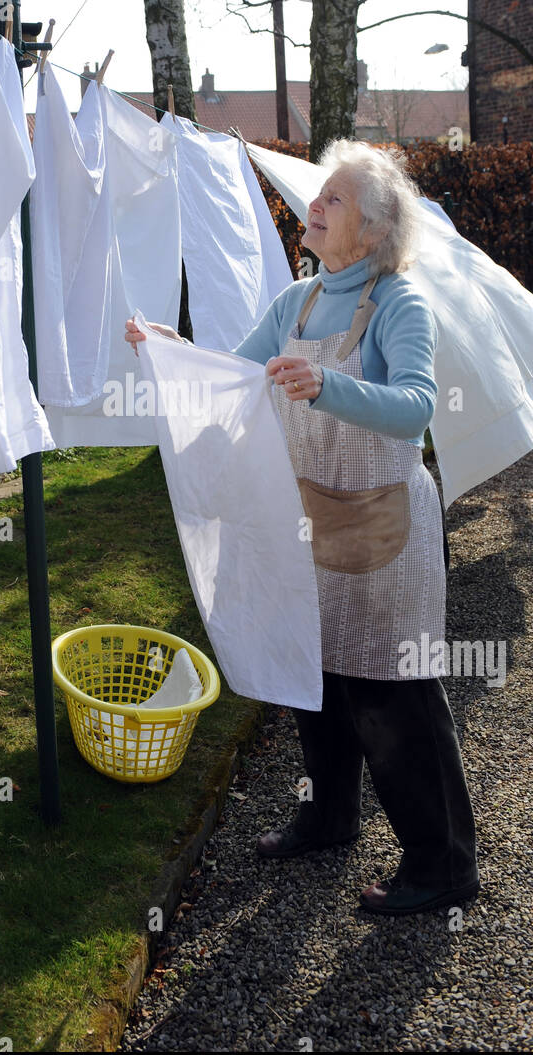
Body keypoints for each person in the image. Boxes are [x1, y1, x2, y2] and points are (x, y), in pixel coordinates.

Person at [124, 139, 479, 916]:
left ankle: (442, 865)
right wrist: (172, 352)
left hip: (384, 527)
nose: (314, 205)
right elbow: (236, 380)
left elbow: (416, 404)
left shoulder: (397, 302)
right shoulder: (296, 301)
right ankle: (327, 817)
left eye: (335, 200)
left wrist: (327, 384)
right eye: (320, 195)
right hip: (310, 520)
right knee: (315, 683)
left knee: (393, 699)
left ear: (376, 230)